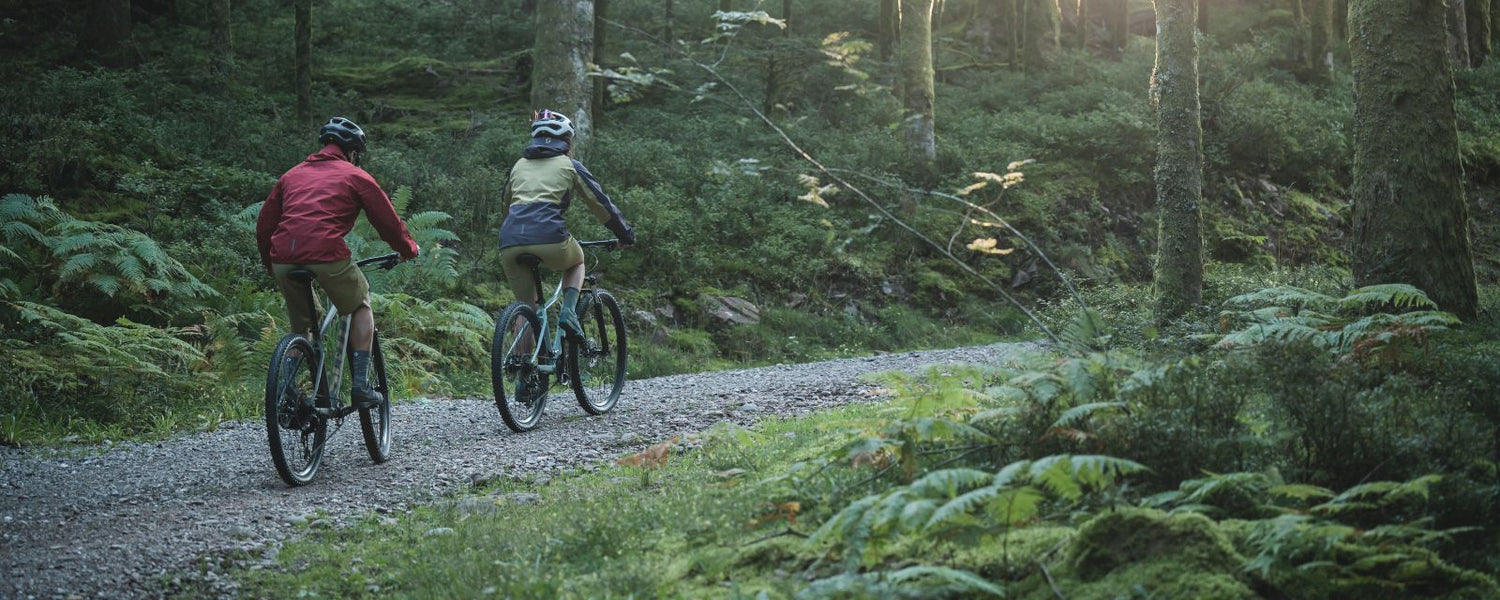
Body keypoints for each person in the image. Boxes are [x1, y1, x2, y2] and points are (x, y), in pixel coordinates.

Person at [256, 116, 419, 408]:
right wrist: (407, 248)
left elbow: (265, 223)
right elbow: (387, 222)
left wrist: (270, 263)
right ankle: (360, 386)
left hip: (282, 256)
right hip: (326, 252)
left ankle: (287, 393)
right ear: (353, 152)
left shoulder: (291, 175)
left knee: (301, 327)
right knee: (360, 304)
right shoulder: (355, 175)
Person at [498, 109, 635, 338]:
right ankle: (569, 313)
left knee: (525, 308)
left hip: (510, 241)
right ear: (567, 139)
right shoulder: (569, 164)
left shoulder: (518, 166)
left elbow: (505, 205)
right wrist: (625, 235)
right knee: (576, 261)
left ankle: (523, 369)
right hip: (549, 238)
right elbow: (600, 204)